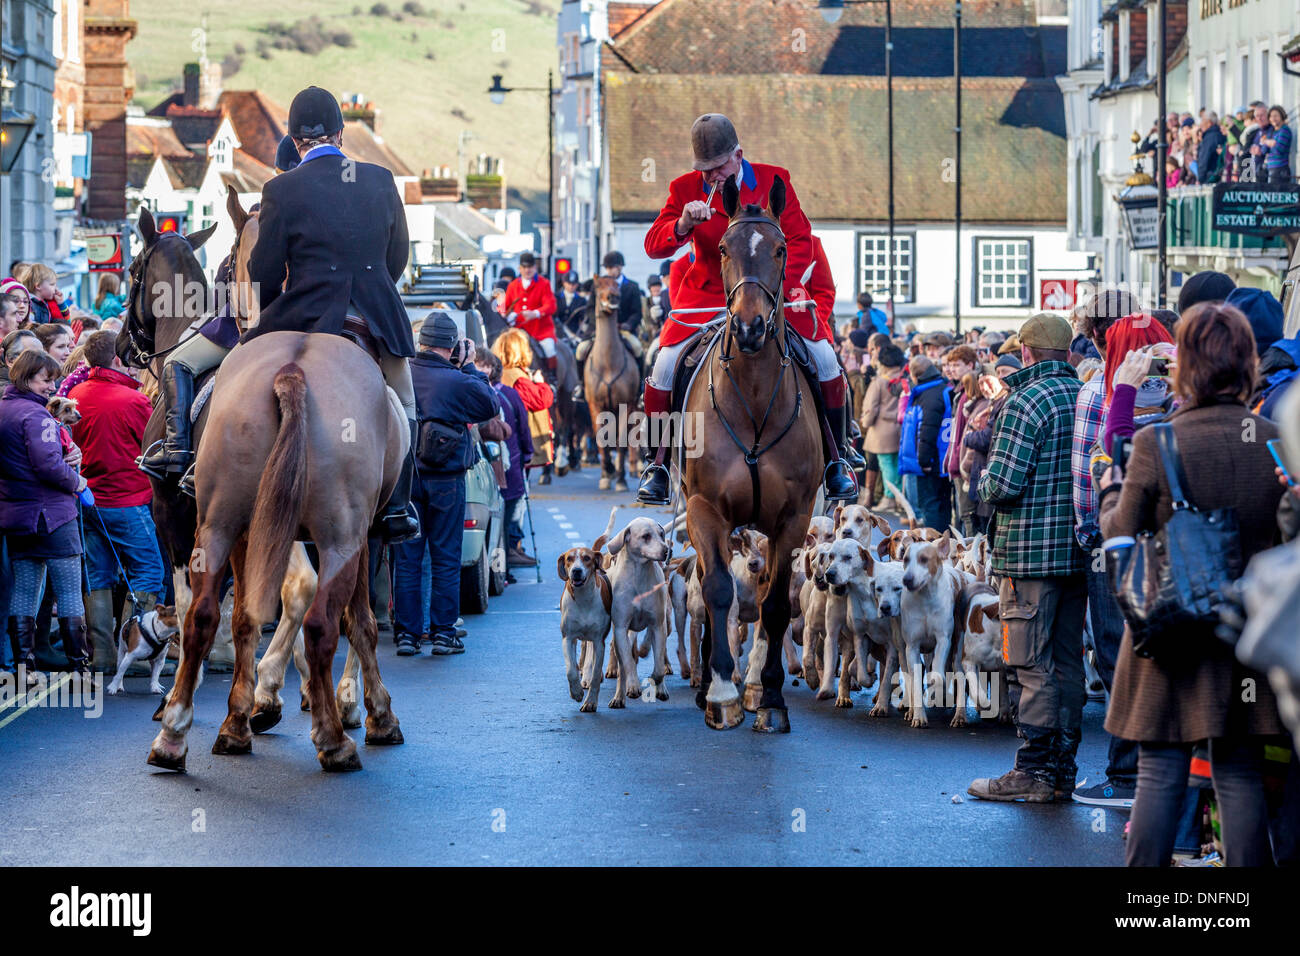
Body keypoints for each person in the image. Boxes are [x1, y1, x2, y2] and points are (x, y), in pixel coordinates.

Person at [1099, 302, 1288, 865]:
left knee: (1159, 773)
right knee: (1239, 773)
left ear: (1185, 367)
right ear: (1246, 362)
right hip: (1246, 632)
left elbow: (1120, 531)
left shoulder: (1160, 443)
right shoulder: (1276, 438)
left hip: (1169, 628)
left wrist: (1111, 489)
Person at [636, 112, 857, 504]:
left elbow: (801, 241)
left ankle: (837, 459)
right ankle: (657, 464)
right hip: (706, 297)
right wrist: (682, 223)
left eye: (718, 167)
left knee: (824, 358)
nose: (710, 177)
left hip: (771, 296)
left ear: (737, 155)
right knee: (664, 365)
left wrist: (774, 292)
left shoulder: (774, 181)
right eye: (703, 169)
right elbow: (654, 245)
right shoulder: (685, 189)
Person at [238, 86, 419, 542]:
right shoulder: (380, 180)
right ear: (340, 133)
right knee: (406, 404)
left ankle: (212, 470)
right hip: (373, 317)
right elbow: (397, 258)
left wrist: (267, 310)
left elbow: (260, 270)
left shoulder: (279, 187)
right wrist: (372, 288)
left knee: (237, 378)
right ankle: (398, 507)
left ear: (294, 139)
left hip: (303, 316)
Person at [969, 312, 1085, 803]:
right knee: (1067, 662)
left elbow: (1003, 483)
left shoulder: (1025, 400)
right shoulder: (1082, 393)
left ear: (1029, 352)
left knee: (1029, 665)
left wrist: (983, 481)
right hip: (1077, 554)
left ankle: (1031, 771)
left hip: (1029, 555)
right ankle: (1061, 770)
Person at [1068, 290, 1143, 807]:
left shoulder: (1099, 391)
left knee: (1118, 656)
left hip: (1111, 542)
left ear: (1096, 333)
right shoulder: (1175, 387)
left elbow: (1087, 477)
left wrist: (1088, 532)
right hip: (1163, 546)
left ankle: (1125, 775)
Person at [392, 313, 500, 657]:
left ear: (421, 342)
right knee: (446, 557)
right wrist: (468, 365)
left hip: (406, 479)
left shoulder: (401, 375)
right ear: (452, 346)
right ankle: (442, 633)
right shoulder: (458, 379)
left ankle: (407, 636)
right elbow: (490, 404)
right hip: (448, 480)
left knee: (407, 559)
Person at [67, 331, 166, 673]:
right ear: (118, 359)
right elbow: (155, 448)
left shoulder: (76, 394)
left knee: (98, 575)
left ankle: (104, 655)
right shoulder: (134, 401)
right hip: (127, 500)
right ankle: (136, 655)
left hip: (88, 500)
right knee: (149, 572)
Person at [0, 350, 91, 684]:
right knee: (69, 591)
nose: (52, 386)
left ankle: (23, 670)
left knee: (24, 591)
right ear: (26, 378)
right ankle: (81, 669)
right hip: (52, 515)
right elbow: (48, 466)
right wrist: (77, 480)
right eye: (46, 379)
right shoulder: (37, 417)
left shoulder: (5, 409)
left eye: (53, 379)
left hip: (16, 515)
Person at [481, 349, 535, 572]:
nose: (481, 369)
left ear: (494, 369)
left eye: (485, 365)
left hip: (509, 465)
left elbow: (523, 427)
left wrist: (528, 453)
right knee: (497, 524)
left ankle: (500, 570)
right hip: (488, 468)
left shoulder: (510, 394)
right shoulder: (478, 392)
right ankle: (496, 570)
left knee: (503, 524)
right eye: (477, 364)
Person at [898, 354, 952, 530]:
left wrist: (924, 460)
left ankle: (934, 549)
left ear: (915, 375)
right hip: (939, 460)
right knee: (941, 505)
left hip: (931, 462)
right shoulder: (937, 389)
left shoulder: (928, 395)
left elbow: (927, 431)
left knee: (931, 505)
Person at [861, 343, 906, 511]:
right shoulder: (905, 380)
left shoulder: (879, 382)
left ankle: (889, 497)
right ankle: (899, 499)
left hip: (881, 430)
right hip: (900, 429)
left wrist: (865, 423)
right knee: (896, 465)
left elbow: (870, 408)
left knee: (886, 465)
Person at [500, 252, 559, 377]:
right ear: (520, 269)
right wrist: (509, 315)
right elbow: (504, 308)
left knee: (549, 349)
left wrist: (536, 313)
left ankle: (552, 378)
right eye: (524, 267)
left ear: (535, 268)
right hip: (519, 330)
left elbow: (551, 306)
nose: (527, 270)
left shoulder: (544, 283)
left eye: (530, 267)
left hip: (541, 330)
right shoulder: (513, 285)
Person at [602, 250, 642, 336]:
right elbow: (590, 309)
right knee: (581, 348)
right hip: (602, 329)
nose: (608, 271)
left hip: (625, 330)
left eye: (611, 268)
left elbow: (637, 312)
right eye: (607, 268)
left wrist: (628, 324)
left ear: (619, 267)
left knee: (637, 347)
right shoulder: (600, 285)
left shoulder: (633, 287)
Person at [1260, 105, 1293, 184]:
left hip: (1280, 170)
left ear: (1282, 116)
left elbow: (1278, 151)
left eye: (1276, 116)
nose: (1273, 119)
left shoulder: (1285, 130)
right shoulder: (1271, 131)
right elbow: (1263, 151)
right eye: (1271, 116)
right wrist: (1269, 142)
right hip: (1269, 169)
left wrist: (1268, 142)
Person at [556, 272, 587, 337]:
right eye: (569, 283)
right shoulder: (556, 297)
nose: (571, 286)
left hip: (574, 335)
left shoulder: (582, 300)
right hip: (557, 334)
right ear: (564, 283)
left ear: (577, 284)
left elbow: (584, 318)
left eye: (574, 284)